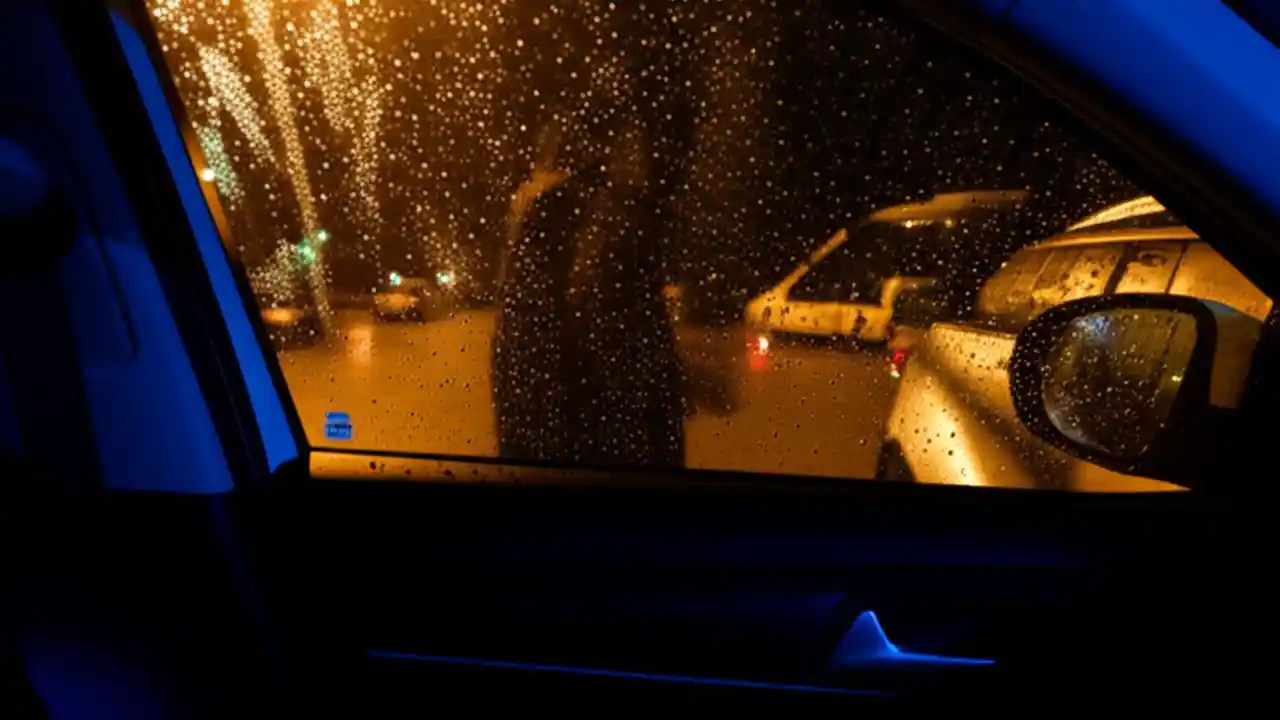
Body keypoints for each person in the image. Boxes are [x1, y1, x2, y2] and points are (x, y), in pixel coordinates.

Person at [492, 100, 686, 468]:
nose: (644, 159)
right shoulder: (596, 221)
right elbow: (614, 342)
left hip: (540, 441)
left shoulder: (545, 221)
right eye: (632, 143)